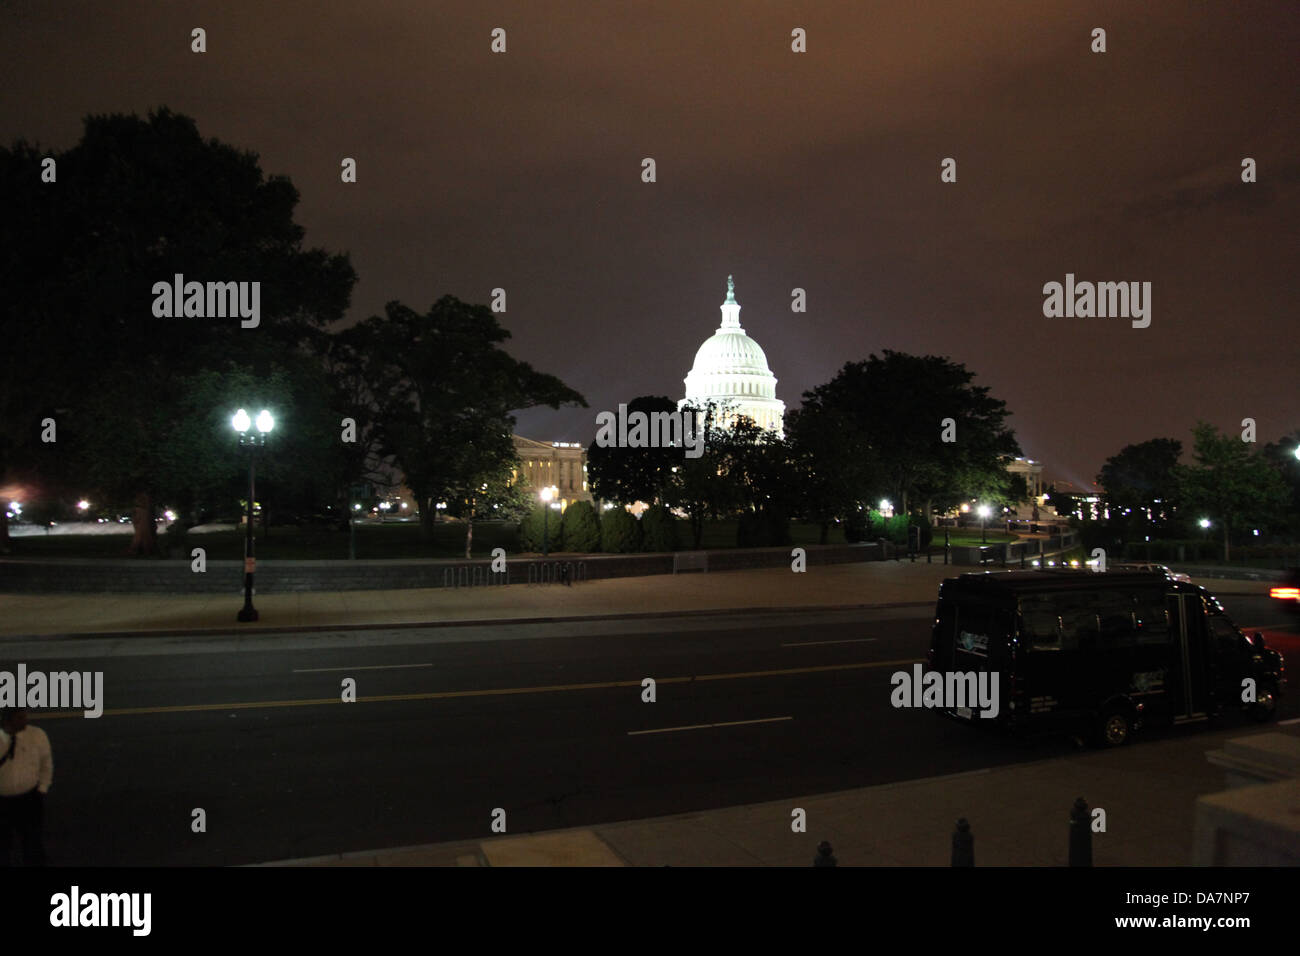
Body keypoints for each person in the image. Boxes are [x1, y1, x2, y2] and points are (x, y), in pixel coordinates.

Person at [0, 707, 52, 866]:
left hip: (29, 799)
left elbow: (46, 763)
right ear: (8, 721)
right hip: (2, 802)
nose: (25, 720)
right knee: (3, 845)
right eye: (20, 718)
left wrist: (42, 789)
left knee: (33, 843)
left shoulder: (36, 735)